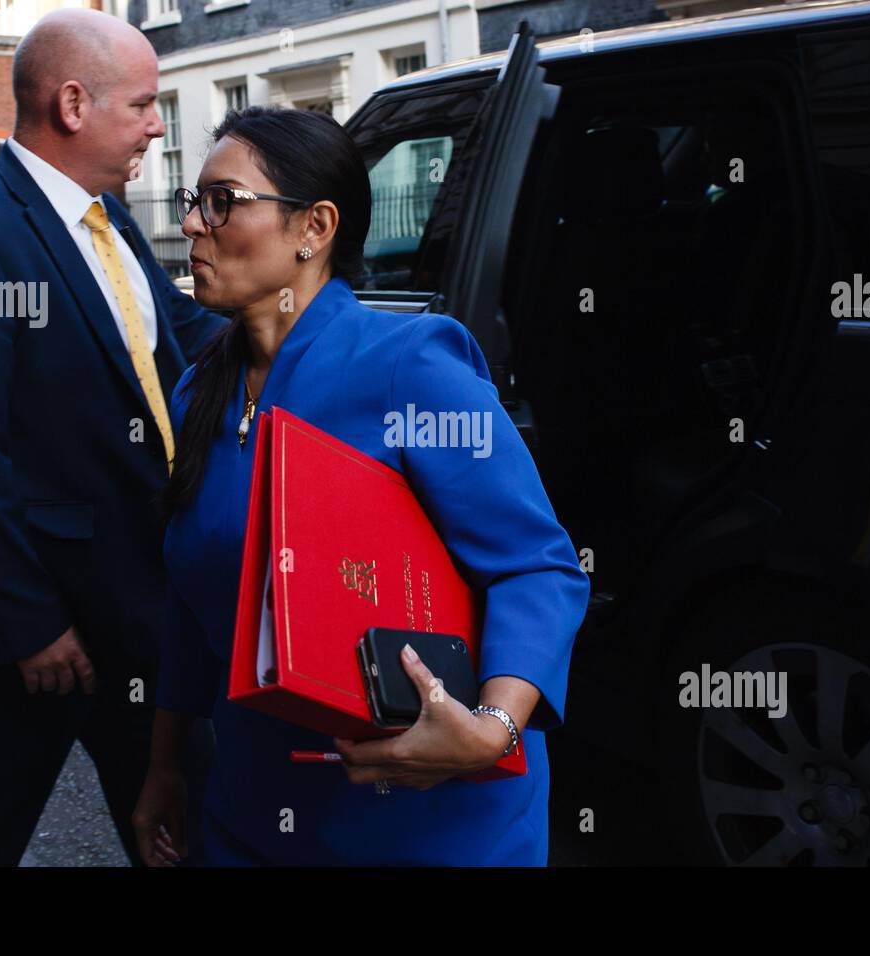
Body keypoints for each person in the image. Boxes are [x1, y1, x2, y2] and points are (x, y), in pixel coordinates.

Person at [132, 105, 591, 866]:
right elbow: (190, 603)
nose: (192, 226)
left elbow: (535, 566)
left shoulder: (412, 366)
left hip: (428, 819)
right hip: (257, 808)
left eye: (223, 202)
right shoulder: (195, 394)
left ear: (314, 227)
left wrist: (491, 729)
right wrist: (165, 765)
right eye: (193, 202)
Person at [0, 8, 224, 865]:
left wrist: (319, 321)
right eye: (143, 104)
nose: (157, 123)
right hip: (37, 638)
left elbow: (179, 335)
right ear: (73, 104)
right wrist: (29, 622)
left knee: (178, 824)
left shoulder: (106, 224)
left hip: (139, 608)